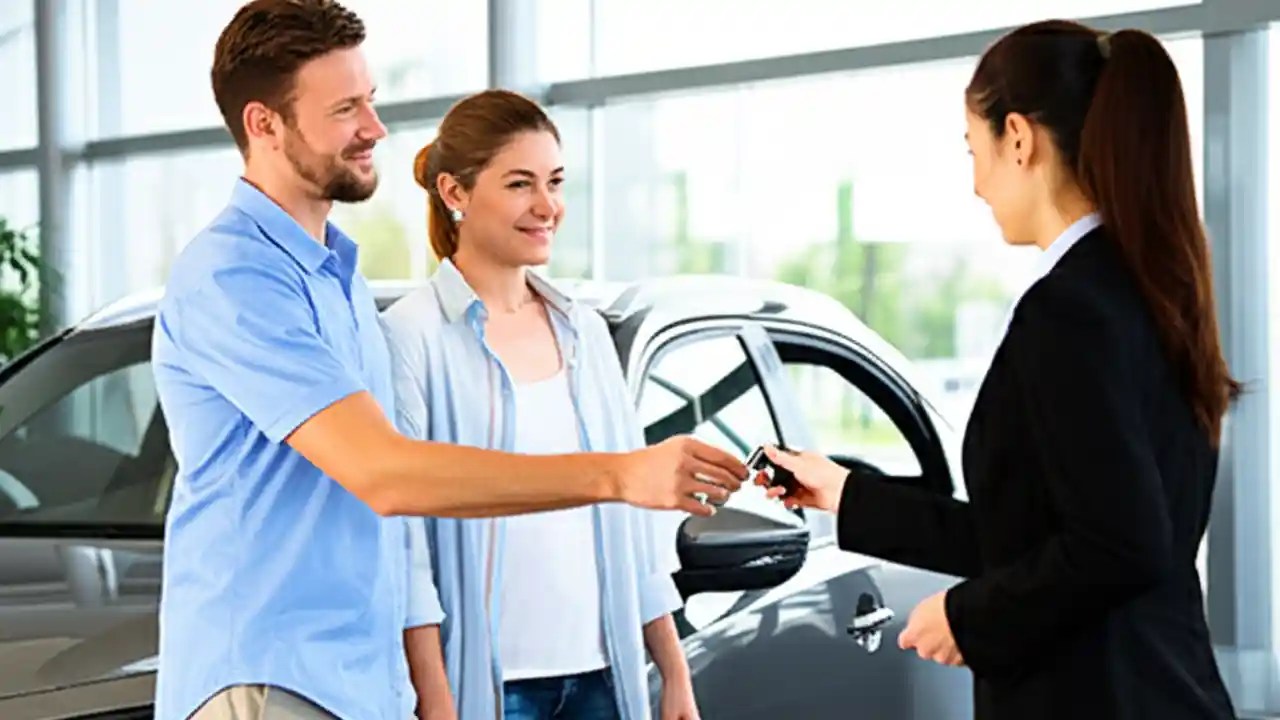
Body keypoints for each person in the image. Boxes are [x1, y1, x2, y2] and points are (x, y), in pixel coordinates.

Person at [151, 2, 744, 719]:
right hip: (272, 679)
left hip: (356, 685)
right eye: (346, 108)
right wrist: (621, 474)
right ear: (263, 124)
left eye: (370, 101)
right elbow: (387, 474)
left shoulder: (335, 279)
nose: (375, 128)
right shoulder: (234, 276)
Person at [757, 20, 1239, 720]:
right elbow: (1040, 533)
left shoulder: (1069, 311)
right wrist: (846, 494)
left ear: (1018, 138)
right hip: (1162, 685)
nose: (975, 181)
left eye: (971, 147)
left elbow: (1117, 545)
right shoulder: (1142, 290)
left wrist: (967, 617)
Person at [380, 89, 702, 720]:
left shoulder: (583, 332)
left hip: (605, 679)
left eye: (554, 182)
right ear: (456, 193)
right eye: (521, 184)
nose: (548, 206)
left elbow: (631, 522)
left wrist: (673, 672)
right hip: (492, 692)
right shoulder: (409, 336)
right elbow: (403, 547)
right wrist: (437, 702)